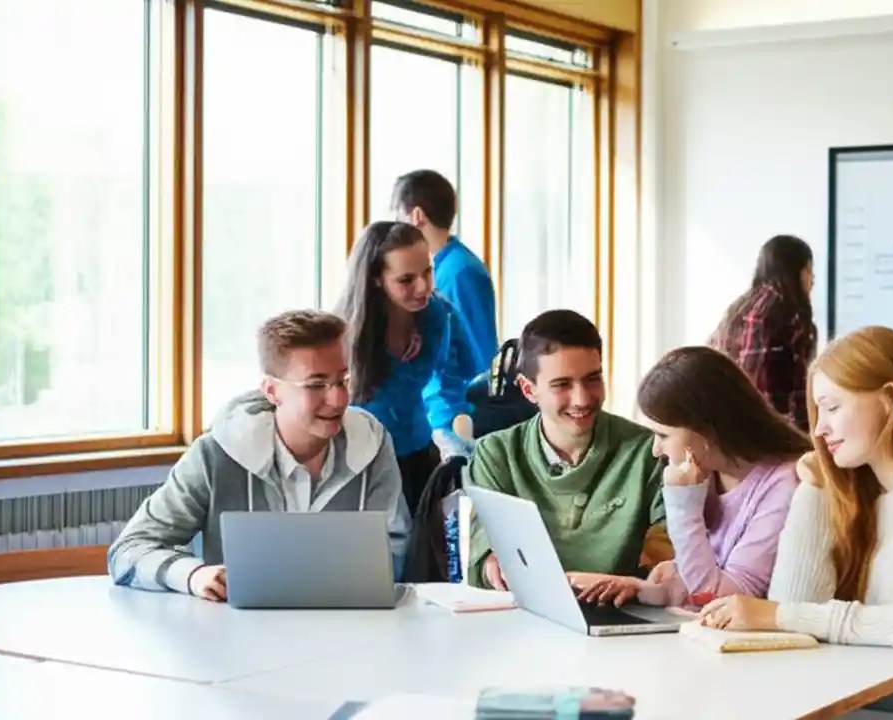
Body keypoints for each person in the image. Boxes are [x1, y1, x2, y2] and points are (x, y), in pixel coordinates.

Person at [699, 325, 893, 720]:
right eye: (817, 412)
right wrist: (816, 491)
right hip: (852, 703)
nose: (820, 429)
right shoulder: (859, 493)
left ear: (890, 400)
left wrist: (774, 614)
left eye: (833, 407)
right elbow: (797, 614)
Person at [107, 310, 411, 601]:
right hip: (237, 640)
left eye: (342, 380)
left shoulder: (373, 445)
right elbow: (129, 549)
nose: (338, 399)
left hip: (352, 635)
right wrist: (193, 575)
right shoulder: (215, 454)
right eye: (316, 384)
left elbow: (394, 554)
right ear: (271, 391)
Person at [572, 346, 805, 609]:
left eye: (663, 436)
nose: (656, 450)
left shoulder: (785, 485)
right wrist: (645, 590)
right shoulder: (708, 474)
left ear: (705, 428)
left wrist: (683, 508)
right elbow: (701, 578)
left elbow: (721, 599)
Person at [466, 310, 666, 590]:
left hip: (621, 613)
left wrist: (652, 574)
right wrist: (492, 561)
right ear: (528, 389)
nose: (582, 399)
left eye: (593, 379)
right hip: (524, 613)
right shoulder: (496, 454)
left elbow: (668, 546)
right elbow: (484, 543)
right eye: (562, 385)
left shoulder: (648, 450)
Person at [336, 221, 474, 516]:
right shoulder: (346, 334)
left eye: (427, 272)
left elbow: (453, 378)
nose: (423, 287)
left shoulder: (435, 315)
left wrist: (456, 440)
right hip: (362, 466)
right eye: (406, 280)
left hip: (420, 457)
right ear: (376, 279)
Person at [393, 170, 498, 383]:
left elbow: (478, 357)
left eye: (398, 216)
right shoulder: (445, 267)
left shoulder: (459, 272)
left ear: (417, 216)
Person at [710, 235, 819, 432]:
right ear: (798, 272)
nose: (813, 281)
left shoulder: (737, 309)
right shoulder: (790, 313)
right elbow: (798, 391)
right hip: (771, 436)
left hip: (728, 431)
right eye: (810, 271)